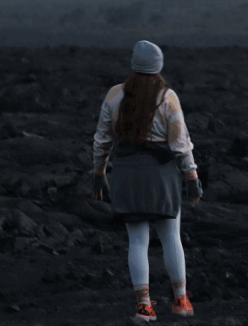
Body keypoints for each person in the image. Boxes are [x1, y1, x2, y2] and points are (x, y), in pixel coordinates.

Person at [92, 40, 203, 321]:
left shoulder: (114, 96)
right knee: (171, 238)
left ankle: (144, 306)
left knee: (137, 241)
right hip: (162, 175)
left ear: (134, 63)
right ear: (159, 66)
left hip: (127, 174)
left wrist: (99, 174)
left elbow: (102, 141)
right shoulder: (168, 97)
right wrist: (192, 176)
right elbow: (181, 142)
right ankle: (181, 301)